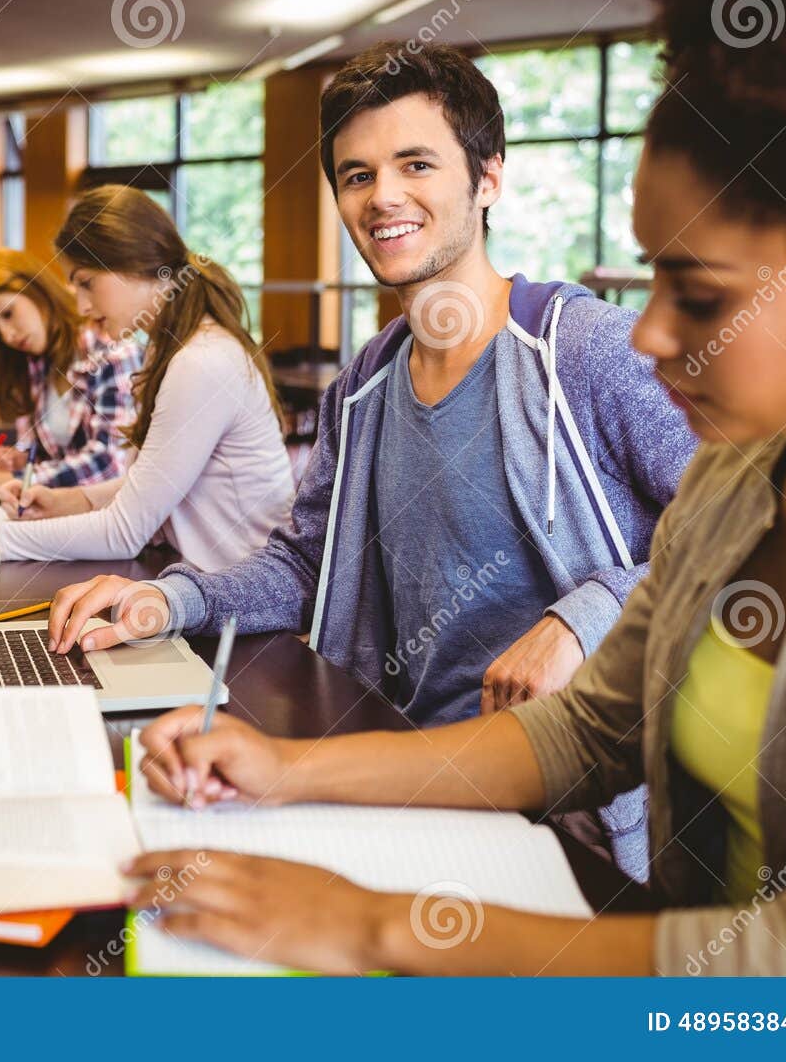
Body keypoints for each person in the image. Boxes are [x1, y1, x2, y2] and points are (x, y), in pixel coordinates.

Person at [122, 0, 786, 975]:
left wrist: (369, 923)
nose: (647, 333)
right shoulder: (745, 474)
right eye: (649, 276)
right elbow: (583, 732)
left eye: (696, 292)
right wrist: (280, 769)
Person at [50, 43, 696, 879]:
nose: (383, 195)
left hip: (567, 820)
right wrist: (168, 600)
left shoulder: (587, 349)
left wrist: (589, 612)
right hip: (404, 770)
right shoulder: (365, 384)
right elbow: (304, 566)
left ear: (488, 178)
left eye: (415, 163)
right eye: (356, 175)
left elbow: (751, 527)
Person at [0, 186, 294, 573]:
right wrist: (70, 501)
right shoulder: (173, 349)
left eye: (86, 282)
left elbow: (123, 532)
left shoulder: (201, 361)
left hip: (243, 600)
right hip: (203, 581)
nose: (82, 306)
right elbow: (150, 485)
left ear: (133, 260)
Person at [0, 249, 141, 504]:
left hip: (116, 526)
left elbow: (110, 464)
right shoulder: (38, 363)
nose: (8, 336)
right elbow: (65, 453)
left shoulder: (113, 351)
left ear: (36, 289)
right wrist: (23, 459)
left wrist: (22, 478)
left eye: (7, 314)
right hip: (65, 517)